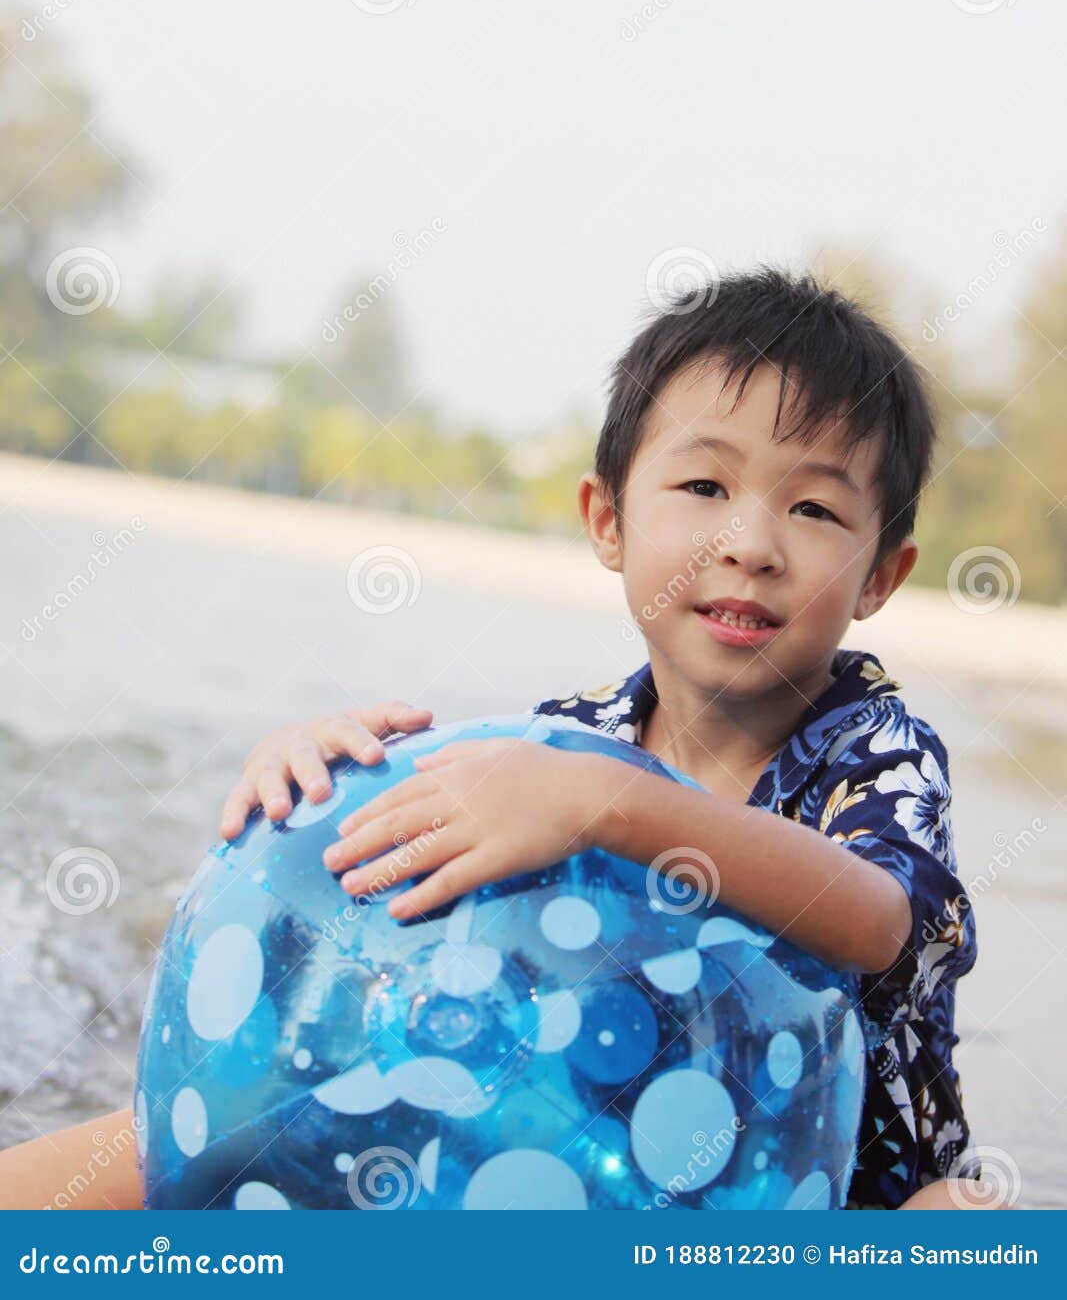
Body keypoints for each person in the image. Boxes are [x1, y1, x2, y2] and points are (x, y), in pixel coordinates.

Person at [0, 267, 986, 1211]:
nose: (750, 543)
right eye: (702, 488)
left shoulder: (873, 751)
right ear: (606, 520)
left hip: (818, 1205)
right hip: (579, 1169)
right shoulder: (562, 746)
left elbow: (874, 919)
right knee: (153, 1145)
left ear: (878, 577)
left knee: (969, 1218)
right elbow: (434, 948)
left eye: (812, 508)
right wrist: (312, 784)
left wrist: (615, 809)